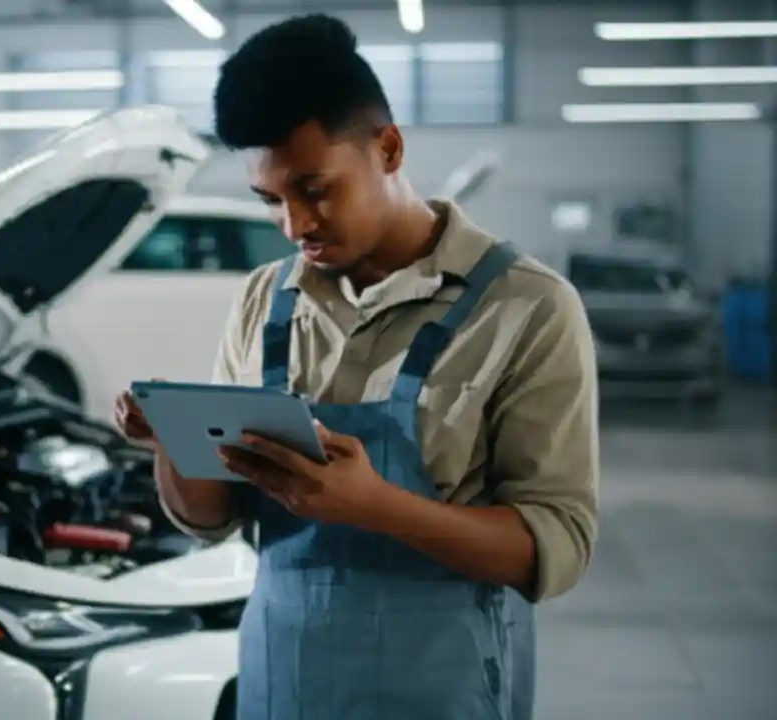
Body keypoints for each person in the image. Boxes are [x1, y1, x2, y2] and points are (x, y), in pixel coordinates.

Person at [114, 14, 599, 720]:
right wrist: (174, 445)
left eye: (316, 189)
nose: (294, 225)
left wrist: (377, 506)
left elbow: (555, 547)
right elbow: (210, 518)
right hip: (283, 685)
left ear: (390, 148)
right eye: (272, 201)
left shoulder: (527, 307)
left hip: (441, 690)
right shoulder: (263, 299)